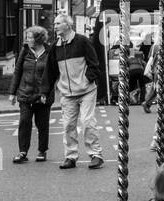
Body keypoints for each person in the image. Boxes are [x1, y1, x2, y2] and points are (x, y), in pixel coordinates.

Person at [53, 12, 104, 170]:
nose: (55, 27)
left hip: (86, 90)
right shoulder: (56, 46)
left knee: (87, 122)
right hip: (67, 94)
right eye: (54, 24)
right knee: (68, 125)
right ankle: (70, 157)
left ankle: (96, 155)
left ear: (67, 25)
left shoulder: (82, 41)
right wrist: (45, 91)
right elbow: (51, 70)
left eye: (58, 24)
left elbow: (94, 62)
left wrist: (88, 79)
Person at [9, 26, 56, 164]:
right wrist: (12, 93)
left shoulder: (49, 52)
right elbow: (17, 72)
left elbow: (53, 75)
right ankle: (23, 152)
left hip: (43, 95)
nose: (27, 40)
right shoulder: (25, 51)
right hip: (25, 93)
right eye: (27, 37)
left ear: (38, 39)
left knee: (42, 124)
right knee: (24, 122)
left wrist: (46, 92)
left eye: (30, 37)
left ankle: (42, 151)